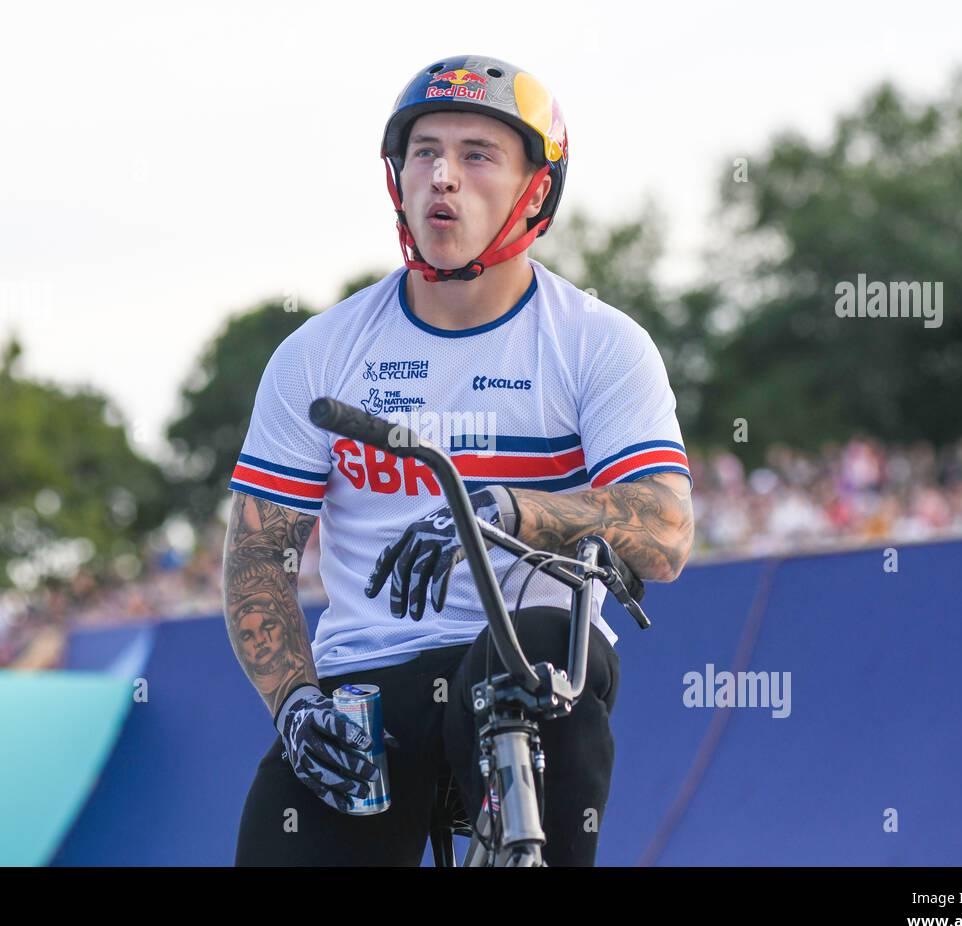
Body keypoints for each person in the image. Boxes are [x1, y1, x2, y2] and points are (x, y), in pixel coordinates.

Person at [224, 54, 695, 866]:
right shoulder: (318, 354)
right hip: (370, 676)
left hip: (522, 651)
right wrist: (297, 705)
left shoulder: (598, 344)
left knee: (537, 657)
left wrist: (508, 512)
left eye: (477, 154)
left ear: (534, 191)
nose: (443, 176)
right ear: (397, 177)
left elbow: (666, 531)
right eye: (424, 151)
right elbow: (260, 553)